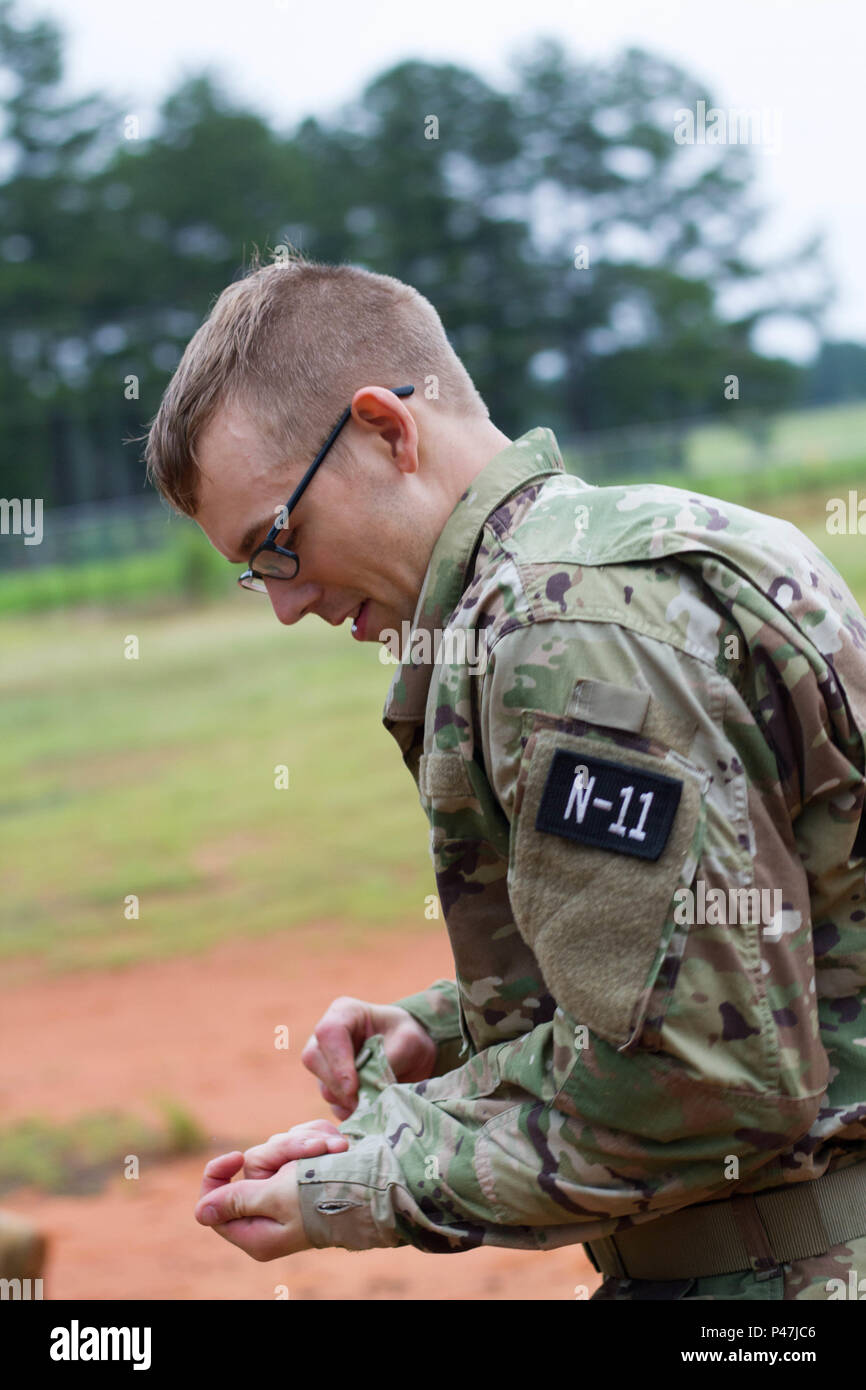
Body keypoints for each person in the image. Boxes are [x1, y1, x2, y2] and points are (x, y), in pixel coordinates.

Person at [144, 252, 866, 1300]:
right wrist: (446, 1029)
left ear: (388, 431)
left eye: (279, 544)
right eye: (255, 572)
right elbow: (768, 942)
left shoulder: (558, 632)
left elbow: (700, 1085)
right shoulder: (639, 549)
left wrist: (366, 1173)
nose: (285, 606)